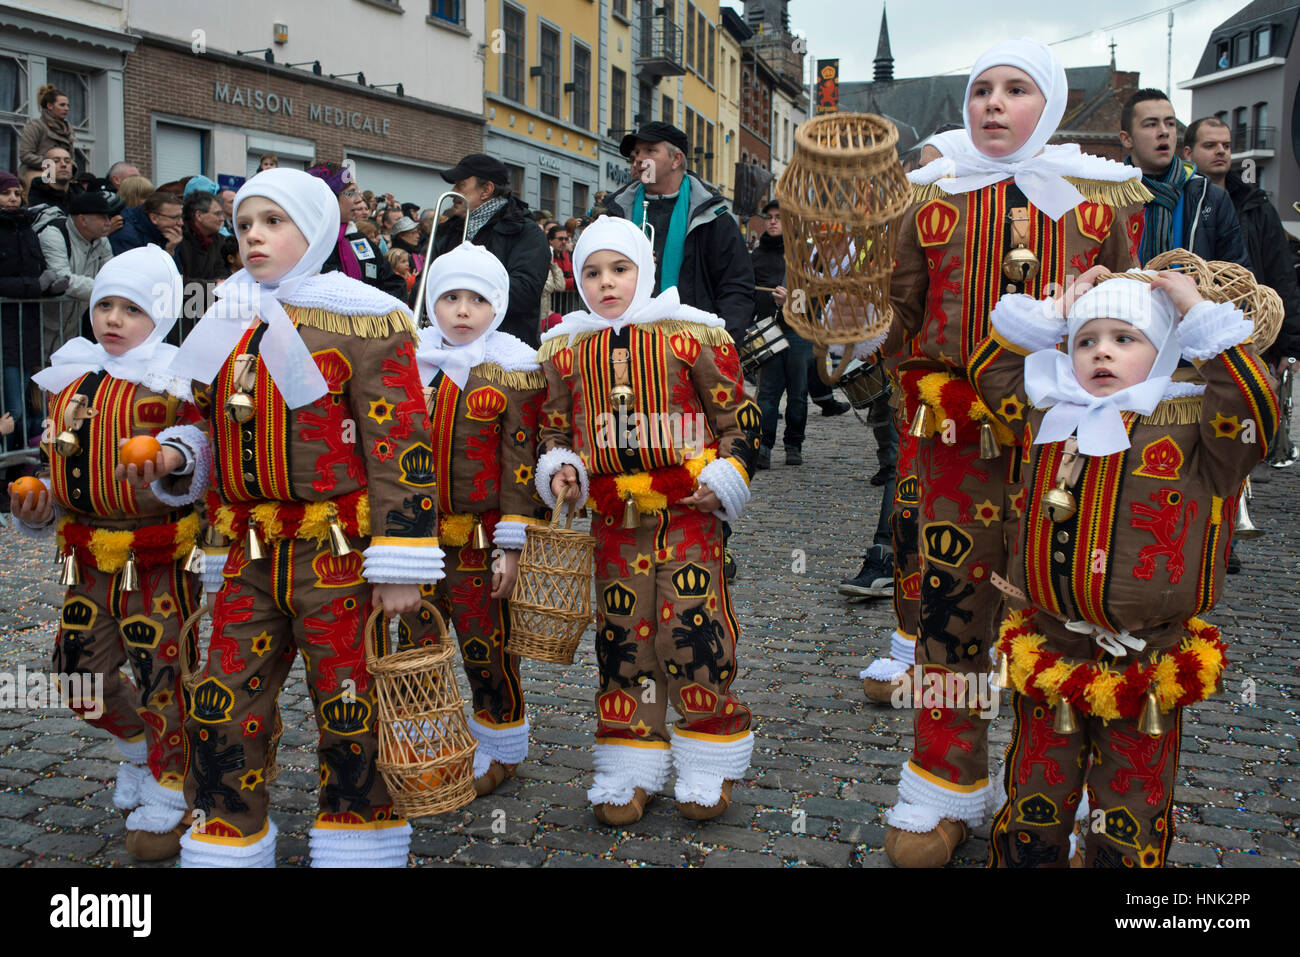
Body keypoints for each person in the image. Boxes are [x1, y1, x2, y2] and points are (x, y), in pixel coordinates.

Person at [879, 38, 1148, 868]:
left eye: (1016, 89)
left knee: (1058, 616)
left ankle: (1049, 797)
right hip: (953, 446)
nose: (993, 103)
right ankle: (945, 779)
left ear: (1052, 105)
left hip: (1063, 449)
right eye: (981, 90)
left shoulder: (1097, 204)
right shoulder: (927, 202)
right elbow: (899, 315)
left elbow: (1134, 316)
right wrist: (862, 345)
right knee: (949, 614)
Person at [167, 168, 441, 868]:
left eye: (272, 221)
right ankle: (230, 824)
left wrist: (402, 559)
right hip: (247, 550)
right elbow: (202, 421)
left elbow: (399, 441)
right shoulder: (225, 316)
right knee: (221, 693)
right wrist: (178, 459)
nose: (252, 234)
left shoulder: (366, 318)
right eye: (244, 223)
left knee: (349, 694)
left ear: (314, 230)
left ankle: (360, 826)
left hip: (339, 549)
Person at [973, 268, 1276, 866]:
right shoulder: (1046, 413)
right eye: (1086, 340)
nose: (1102, 350)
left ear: (1165, 349)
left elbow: (1252, 407)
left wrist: (1199, 319)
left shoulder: (1198, 428)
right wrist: (1055, 309)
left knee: (1133, 796)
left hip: (1147, 657)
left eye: (1124, 338)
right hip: (1052, 645)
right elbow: (993, 374)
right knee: (1037, 783)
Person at [536, 217, 760, 825]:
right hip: (613, 520)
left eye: (619, 269)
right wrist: (560, 469)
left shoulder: (694, 336)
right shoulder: (565, 350)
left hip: (688, 514)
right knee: (622, 637)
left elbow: (739, 417)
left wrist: (727, 476)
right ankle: (630, 759)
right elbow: (554, 428)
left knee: (693, 630)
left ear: (644, 269)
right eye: (591, 272)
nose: (605, 283)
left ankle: (709, 749)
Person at [12, 246, 211, 861]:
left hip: (157, 555)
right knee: (75, 674)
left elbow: (203, 451)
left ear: (160, 313)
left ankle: (173, 779)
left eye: (131, 308)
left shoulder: (179, 379)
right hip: (86, 554)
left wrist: (177, 458)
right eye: (104, 307)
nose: (113, 320)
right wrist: (41, 500)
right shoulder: (70, 381)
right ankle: (136, 745)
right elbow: (62, 464)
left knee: (161, 671)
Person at [408, 243, 546, 795]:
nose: (462, 311)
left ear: (498, 306)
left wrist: (511, 545)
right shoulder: (411, 367)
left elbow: (520, 465)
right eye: (449, 298)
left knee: (484, 642)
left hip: (479, 539)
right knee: (417, 640)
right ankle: (430, 736)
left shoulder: (511, 373)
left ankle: (499, 739)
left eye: (477, 300)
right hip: (414, 538)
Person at [1182, 115, 1300, 470]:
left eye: (1226, 146)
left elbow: (1280, 277)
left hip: (1249, 330)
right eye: (1210, 145)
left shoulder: (1256, 204)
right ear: (1188, 152)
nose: (1221, 151)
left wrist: (1289, 348)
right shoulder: (1182, 201)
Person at [603, 122, 755, 343]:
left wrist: (721, 342)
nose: (638, 159)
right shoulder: (615, 214)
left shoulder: (714, 218)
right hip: (626, 340)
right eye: (636, 153)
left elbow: (736, 286)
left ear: (676, 160)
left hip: (693, 346)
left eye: (650, 151)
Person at [1119, 90, 1248, 267]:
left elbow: (1236, 274)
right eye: (1151, 124)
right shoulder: (1106, 197)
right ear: (1127, 139)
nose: (1164, 132)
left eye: (1170, 123)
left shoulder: (1211, 197)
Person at [434, 154, 550, 348]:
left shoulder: (524, 232)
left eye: (460, 185)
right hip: (447, 347)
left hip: (502, 353)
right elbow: (426, 283)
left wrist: (463, 288)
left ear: (486, 190)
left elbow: (525, 292)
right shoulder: (450, 230)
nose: (453, 192)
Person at [1, 169, 68, 448]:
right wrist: (35, 285)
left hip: (28, 328)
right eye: (6, 193)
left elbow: (37, 266)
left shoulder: (26, 227)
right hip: (5, 329)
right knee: (13, 408)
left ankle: (26, 465)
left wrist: (51, 284)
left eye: (17, 193)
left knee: (34, 407)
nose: (14, 199)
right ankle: (12, 468)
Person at [751, 198, 813, 470]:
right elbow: (746, 292)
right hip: (767, 331)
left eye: (779, 217)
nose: (773, 221)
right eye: (770, 217)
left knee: (798, 394)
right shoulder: (756, 256)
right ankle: (763, 446)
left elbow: (820, 297)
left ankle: (794, 444)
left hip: (799, 332)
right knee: (767, 394)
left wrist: (791, 301)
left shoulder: (807, 255)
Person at [307, 162, 408, 300]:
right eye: (351, 193)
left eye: (358, 193)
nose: (359, 200)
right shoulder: (306, 243)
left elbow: (394, 283)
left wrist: (374, 308)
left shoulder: (358, 239)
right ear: (328, 196)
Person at [33, 187, 115, 354]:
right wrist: (105, 289)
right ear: (83, 219)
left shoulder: (102, 241)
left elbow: (113, 277)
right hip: (38, 324)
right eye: (102, 217)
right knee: (38, 374)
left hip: (72, 325)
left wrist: (108, 287)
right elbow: (62, 279)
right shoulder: (54, 234)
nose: (108, 222)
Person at [174, 191, 231, 322]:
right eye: (217, 214)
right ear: (199, 215)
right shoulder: (176, 241)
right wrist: (214, 285)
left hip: (209, 318)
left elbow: (225, 279)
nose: (222, 218)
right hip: (181, 319)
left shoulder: (221, 242)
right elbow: (177, 284)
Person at [18, 85, 74, 195]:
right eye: (62, 105)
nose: (67, 108)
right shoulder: (36, 126)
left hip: (59, 176)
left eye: (68, 105)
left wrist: (71, 165)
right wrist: (51, 164)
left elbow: (71, 158)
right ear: (49, 106)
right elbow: (25, 155)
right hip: (36, 174)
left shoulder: (68, 129)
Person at [110, 190, 183, 256]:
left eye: (181, 216)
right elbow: (137, 269)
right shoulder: (127, 235)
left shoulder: (169, 233)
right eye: (175, 217)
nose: (181, 223)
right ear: (154, 218)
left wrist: (172, 248)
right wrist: (168, 252)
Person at [26, 147, 76, 212]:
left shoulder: (81, 198)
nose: (63, 165)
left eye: (67, 161)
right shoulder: (37, 205)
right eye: (56, 161)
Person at [547, 224, 575, 291]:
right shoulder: (546, 255)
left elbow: (573, 275)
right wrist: (573, 283)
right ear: (550, 240)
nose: (564, 242)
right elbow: (554, 282)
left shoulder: (566, 254)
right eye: (560, 239)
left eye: (566, 239)